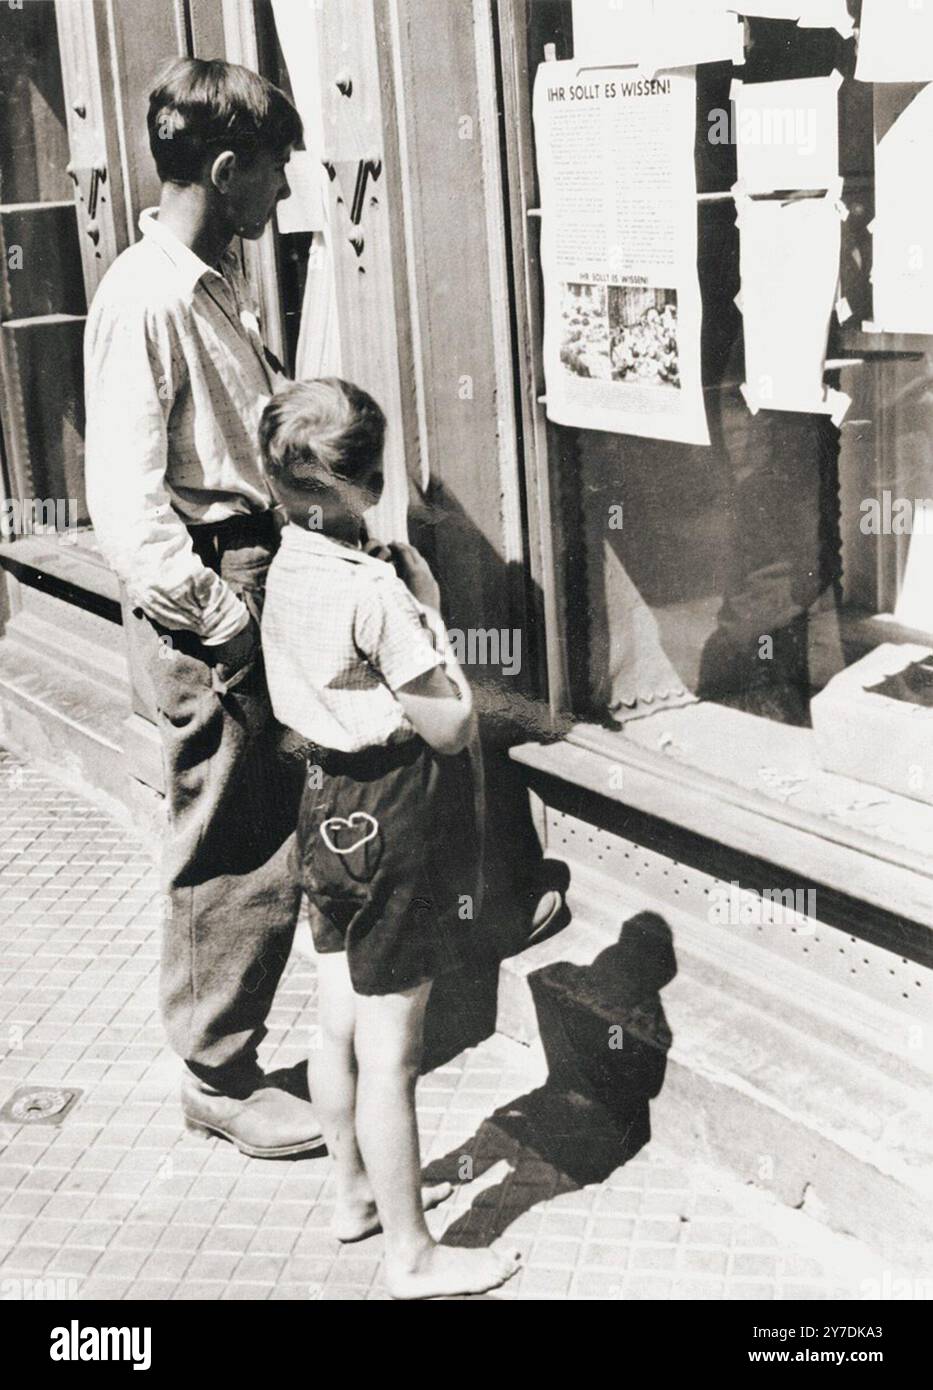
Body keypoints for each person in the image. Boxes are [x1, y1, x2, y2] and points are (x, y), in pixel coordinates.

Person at [83, 57, 324, 1156]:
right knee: (226, 827)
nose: (285, 195)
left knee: (267, 806)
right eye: (274, 172)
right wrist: (223, 617)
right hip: (210, 583)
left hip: (250, 565)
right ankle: (217, 1073)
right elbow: (129, 511)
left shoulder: (206, 274)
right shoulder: (148, 295)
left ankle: (236, 1044)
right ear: (227, 171)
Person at [259, 378, 522, 1298]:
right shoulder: (376, 590)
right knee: (393, 1052)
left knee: (336, 1020)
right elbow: (448, 724)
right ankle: (411, 1253)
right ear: (367, 481)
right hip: (394, 812)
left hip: (323, 805)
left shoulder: (282, 561)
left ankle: (352, 1193)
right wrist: (434, 606)